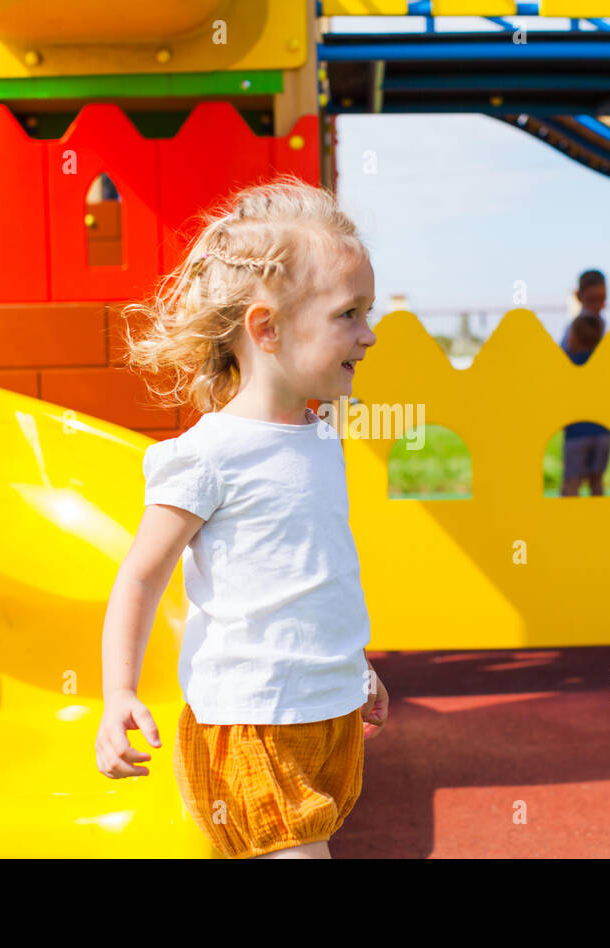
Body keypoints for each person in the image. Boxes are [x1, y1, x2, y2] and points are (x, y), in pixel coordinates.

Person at [94, 175, 389, 860]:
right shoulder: (209, 455)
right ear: (268, 329)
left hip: (327, 711)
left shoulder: (320, 436)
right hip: (251, 720)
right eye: (349, 314)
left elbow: (315, 576)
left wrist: (357, 666)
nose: (369, 335)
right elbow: (140, 577)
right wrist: (118, 694)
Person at [561, 270, 610, 497]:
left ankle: (598, 529)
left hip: (600, 425)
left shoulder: (607, 330)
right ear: (579, 296)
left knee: (596, 482)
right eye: (592, 299)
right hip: (578, 426)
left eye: (601, 298)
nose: (598, 305)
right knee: (572, 482)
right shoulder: (573, 331)